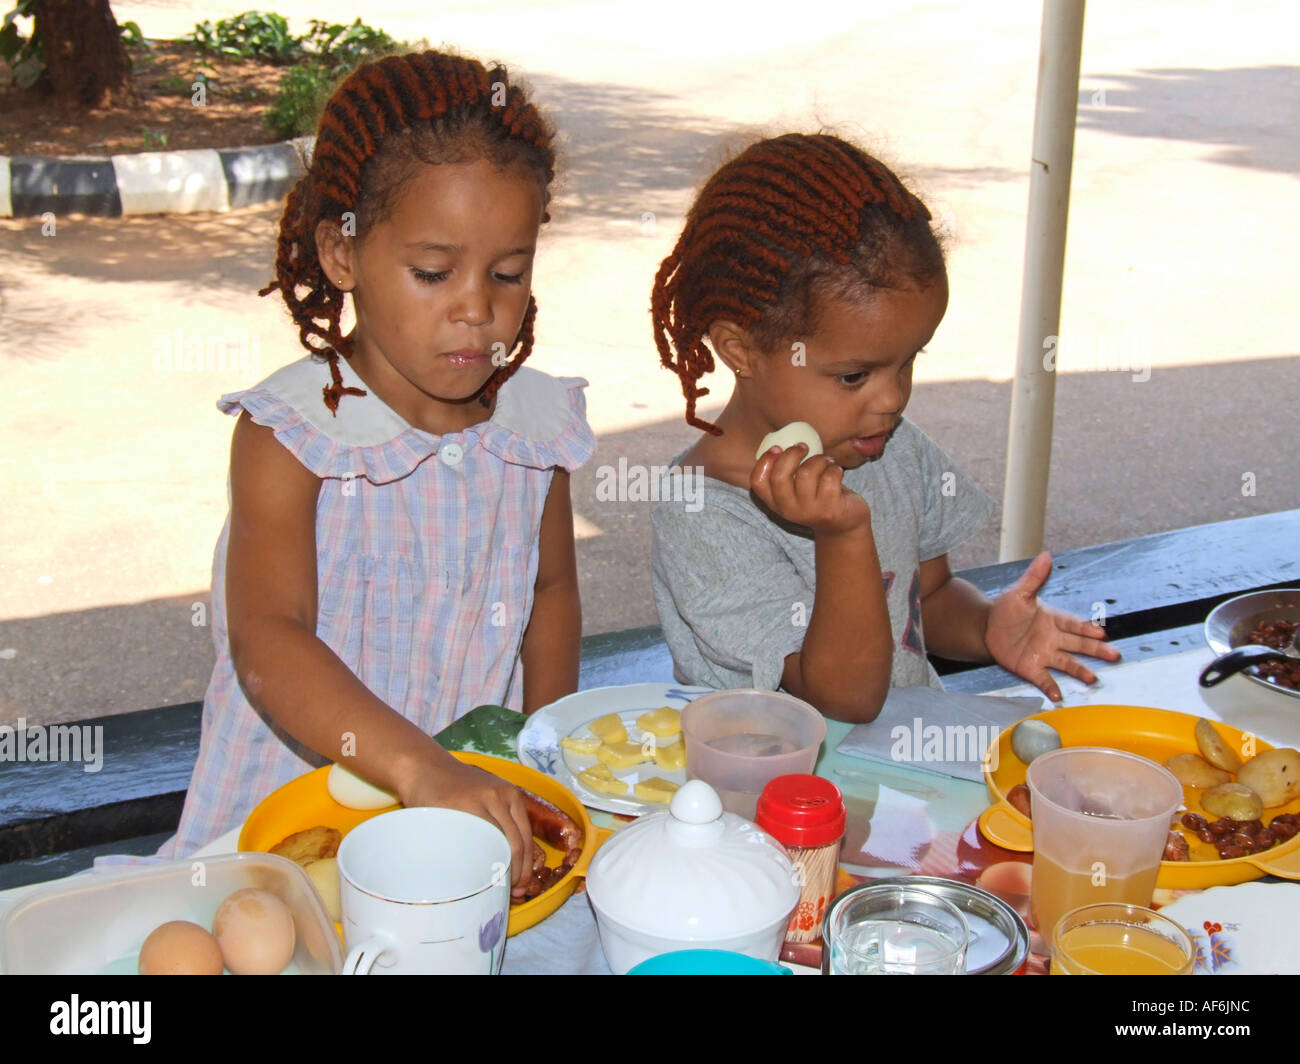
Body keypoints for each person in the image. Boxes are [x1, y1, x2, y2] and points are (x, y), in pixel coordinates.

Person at [160, 52, 594, 892]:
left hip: (472, 821)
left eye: (508, 273)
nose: (477, 307)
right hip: (289, 830)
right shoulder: (294, 435)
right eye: (433, 273)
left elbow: (551, 594)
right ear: (342, 253)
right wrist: (418, 766)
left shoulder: (535, 430)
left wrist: (542, 765)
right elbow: (268, 641)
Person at [649, 133, 1118, 723]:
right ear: (741, 350)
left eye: (909, 361)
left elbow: (930, 599)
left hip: (911, 777)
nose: (893, 398)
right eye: (854, 375)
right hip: (775, 795)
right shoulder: (703, 514)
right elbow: (844, 698)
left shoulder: (888, 449)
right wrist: (843, 537)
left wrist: (987, 627)